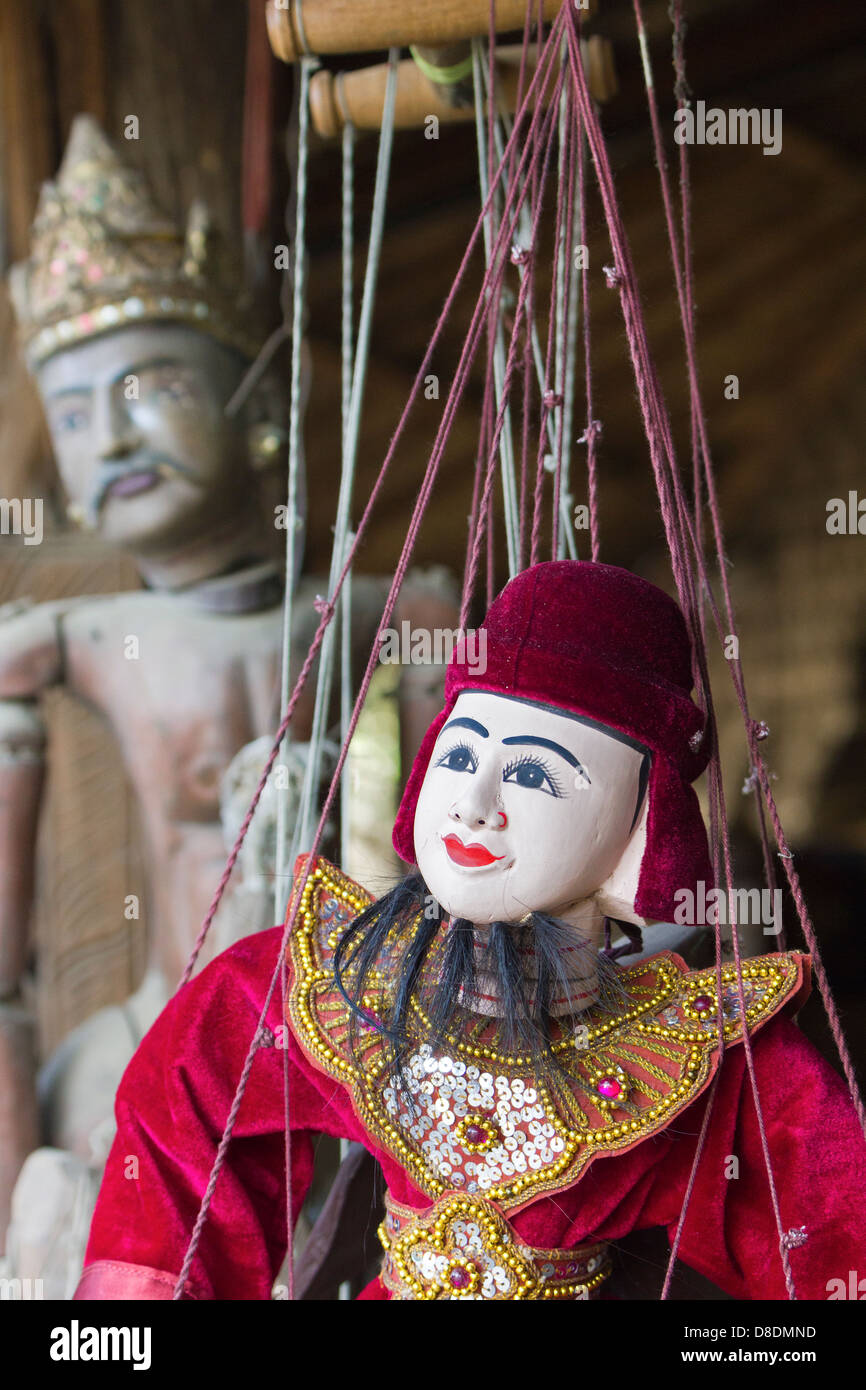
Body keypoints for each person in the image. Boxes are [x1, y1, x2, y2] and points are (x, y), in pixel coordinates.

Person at [73, 560, 866, 1300]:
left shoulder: (708, 1059)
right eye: (459, 755)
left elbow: (835, 1240)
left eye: (530, 773)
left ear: (640, 821)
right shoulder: (324, 979)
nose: (473, 801)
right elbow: (175, 1138)